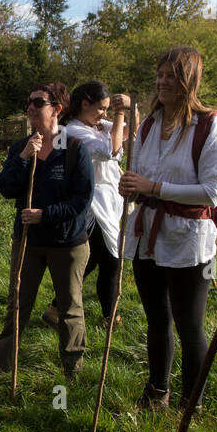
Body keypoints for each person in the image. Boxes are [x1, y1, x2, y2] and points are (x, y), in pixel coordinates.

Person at [117, 47, 217, 412]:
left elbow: (213, 191)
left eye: (171, 76)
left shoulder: (211, 126)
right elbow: (142, 175)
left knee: (189, 324)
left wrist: (154, 188)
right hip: (147, 232)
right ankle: (156, 393)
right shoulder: (148, 124)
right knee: (156, 318)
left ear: (189, 80)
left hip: (187, 239)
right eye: (160, 74)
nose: (162, 82)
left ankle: (190, 402)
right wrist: (131, 185)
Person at [0, 82, 94, 382]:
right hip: (28, 241)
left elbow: (82, 200)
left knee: (69, 307)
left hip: (66, 242)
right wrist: (22, 160)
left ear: (56, 109)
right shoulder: (22, 146)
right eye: (28, 102)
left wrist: (46, 215)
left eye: (38, 102)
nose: (30, 107)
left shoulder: (73, 149)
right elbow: (5, 188)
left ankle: (72, 372)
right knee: (17, 304)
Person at [38, 81, 130, 329]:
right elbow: (110, 150)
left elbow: (128, 131)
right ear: (85, 104)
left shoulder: (96, 125)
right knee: (109, 260)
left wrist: (127, 112)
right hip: (93, 205)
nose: (105, 114)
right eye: (101, 108)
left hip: (108, 204)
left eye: (109, 109)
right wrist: (121, 114)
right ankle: (110, 317)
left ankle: (56, 309)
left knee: (93, 261)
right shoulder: (73, 131)